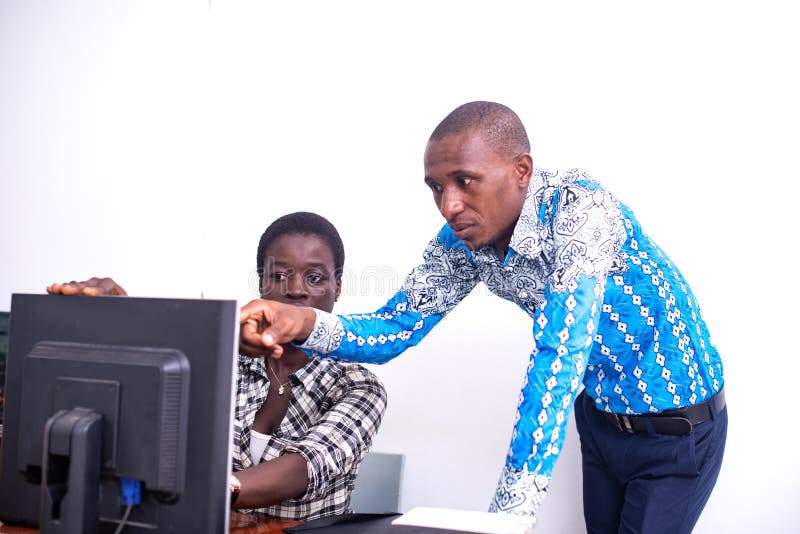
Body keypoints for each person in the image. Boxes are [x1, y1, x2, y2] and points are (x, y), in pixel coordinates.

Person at [238, 102, 728, 533]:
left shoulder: (582, 209)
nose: (449, 205)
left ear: (521, 170)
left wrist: (505, 521)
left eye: (464, 181)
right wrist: (299, 323)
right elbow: (394, 328)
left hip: (678, 433)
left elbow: (560, 358)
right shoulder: (463, 239)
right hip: (600, 423)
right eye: (436, 187)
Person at [47, 211, 388, 521]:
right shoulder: (220, 361)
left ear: (337, 287)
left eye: (315, 277)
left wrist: (207, 491)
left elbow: (305, 467)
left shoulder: (358, 386)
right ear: (262, 284)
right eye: (280, 275)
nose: (296, 290)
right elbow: (151, 387)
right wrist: (119, 316)